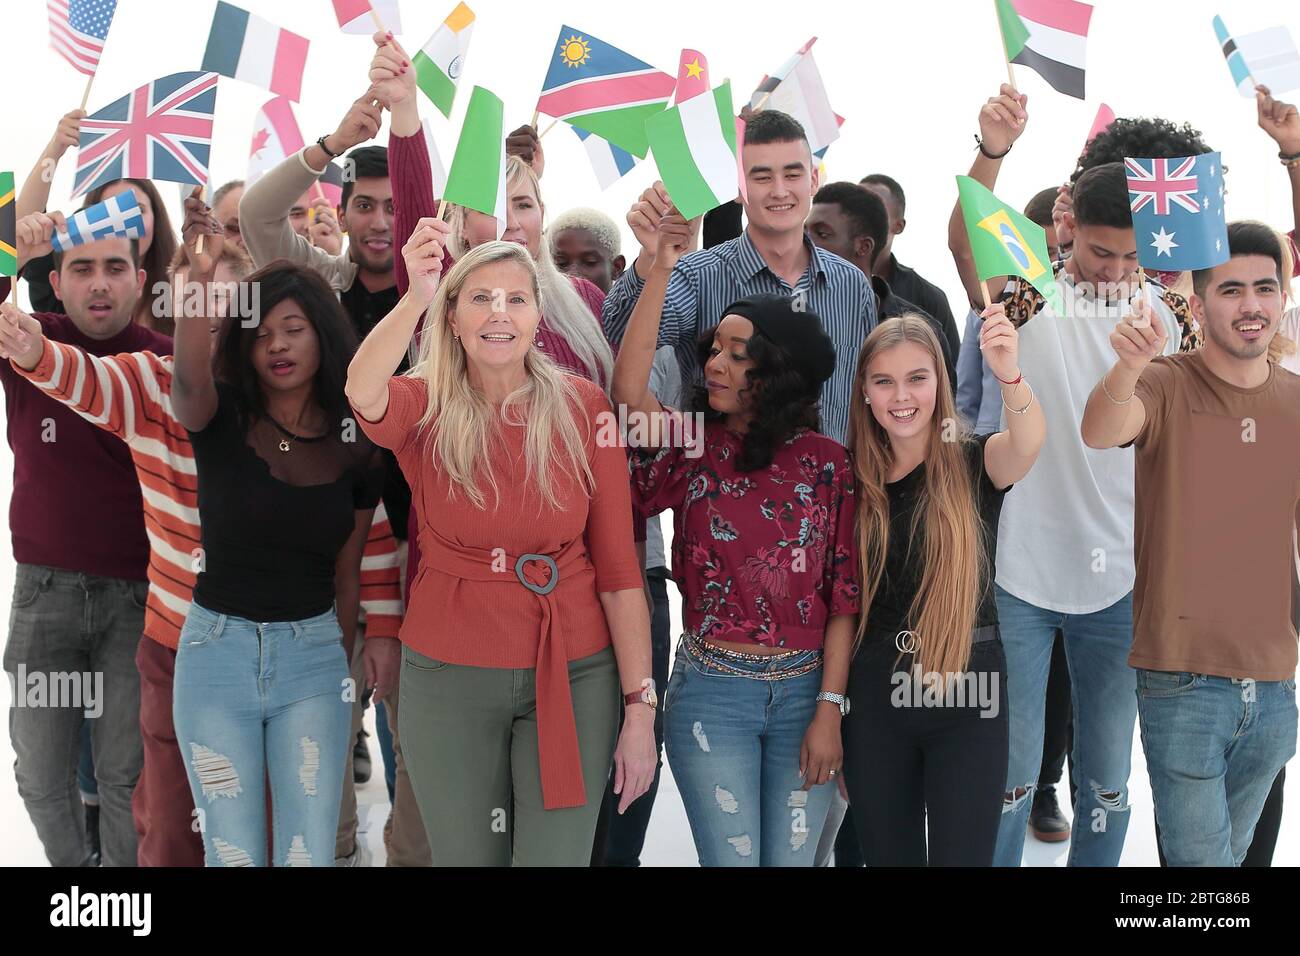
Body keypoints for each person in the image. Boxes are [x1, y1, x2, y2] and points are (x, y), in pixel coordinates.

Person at [1, 210, 404, 866]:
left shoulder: (322, 423)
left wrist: (381, 631)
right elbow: (84, 379)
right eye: (210, 307)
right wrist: (32, 350)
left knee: (295, 833)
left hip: (302, 651)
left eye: (235, 314)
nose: (233, 330)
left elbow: (367, 539)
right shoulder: (160, 384)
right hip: (182, 644)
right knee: (177, 829)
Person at [346, 224, 656, 866]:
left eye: (516, 299)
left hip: (574, 670)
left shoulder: (583, 404)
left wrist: (640, 707)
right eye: (480, 298)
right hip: (448, 674)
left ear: (537, 315)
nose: (499, 313)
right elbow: (361, 391)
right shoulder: (425, 404)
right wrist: (415, 298)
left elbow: (621, 572)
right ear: (452, 317)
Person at [948, 84, 1197, 868]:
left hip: (1125, 576)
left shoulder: (1170, 314)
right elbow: (963, 243)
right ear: (1068, 227)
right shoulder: (1027, 294)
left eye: (1132, 255)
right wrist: (991, 150)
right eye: (1100, 252)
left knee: (1109, 778)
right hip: (1022, 571)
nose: (1117, 271)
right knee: (1012, 776)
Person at [613, 209, 860, 866]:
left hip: (809, 694)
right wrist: (661, 271)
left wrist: (831, 709)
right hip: (710, 693)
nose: (713, 362)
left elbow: (844, 598)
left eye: (734, 353)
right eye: (713, 348)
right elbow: (629, 395)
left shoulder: (829, 463)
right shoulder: (695, 443)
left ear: (776, 371)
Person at [167, 210, 386, 865]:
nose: (278, 346)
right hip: (215, 656)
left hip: (314, 661)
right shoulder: (222, 417)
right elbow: (185, 381)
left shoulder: (356, 442)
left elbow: (348, 574)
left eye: (293, 329)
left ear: (322, 334)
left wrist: (340, 668)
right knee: (232, 853)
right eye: (261, 335)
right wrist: (200, 290)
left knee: (308, 853)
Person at [1080, 221, 1299, 866]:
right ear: (1199, 305)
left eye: (1265, 287)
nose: (1251, 304)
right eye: (1232, 290)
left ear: (1283, 298)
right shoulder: (1165, 381)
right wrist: (1127, 366)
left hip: (1275, 678)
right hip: (1185, 676)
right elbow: (1101, 429)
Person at [843, 306, 1043, 865]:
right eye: (883, 381)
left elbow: (1027, 442)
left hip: (968, 687)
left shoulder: (976, 461)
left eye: (917, 378)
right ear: (863, 391)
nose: (901, 396)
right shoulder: (847, 480)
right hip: (876, 694)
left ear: (941, 382)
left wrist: (1008, 374)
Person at [1, 219, 172, 866]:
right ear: (54, 283)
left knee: (126, 779)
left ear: (141, 281)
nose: (99, 284)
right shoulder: (26, 341)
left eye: (115, 268)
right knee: (41, 776)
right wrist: (9, 239)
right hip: (44, 597)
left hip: (140, 602)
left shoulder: (163, 358)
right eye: (81, 269)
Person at [604, 109, 877, 444]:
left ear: (814, 181)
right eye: (762, 177)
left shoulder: (851, 285)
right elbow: (617, 332)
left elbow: (865, 399)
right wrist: (652, 260)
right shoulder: (697, 276)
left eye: (792, 175)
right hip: (720, 487)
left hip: (832, 489)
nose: (779, 191)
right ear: (737, 188)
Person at [546, 206, 680, 867]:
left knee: (636, 736)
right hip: (558, 580)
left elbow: (649, 429)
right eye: (560, 263)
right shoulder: (533, 344)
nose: (575, 277)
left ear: (619, 269)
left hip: (638, 570)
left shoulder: (647, 339)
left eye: (589, 263)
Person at [806, 181, 956, 384]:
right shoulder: (791, 315)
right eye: (804, 231)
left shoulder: (927, 327)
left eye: (822, 234)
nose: (805, 242)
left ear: (863, 246)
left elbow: (946, 407)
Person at [860, 172, 960, 359]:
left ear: (899, 226)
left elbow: (953, 379)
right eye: (856, 209)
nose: (863, 218)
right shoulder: (821, 284)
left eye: (875, 211)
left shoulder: (929, 299)